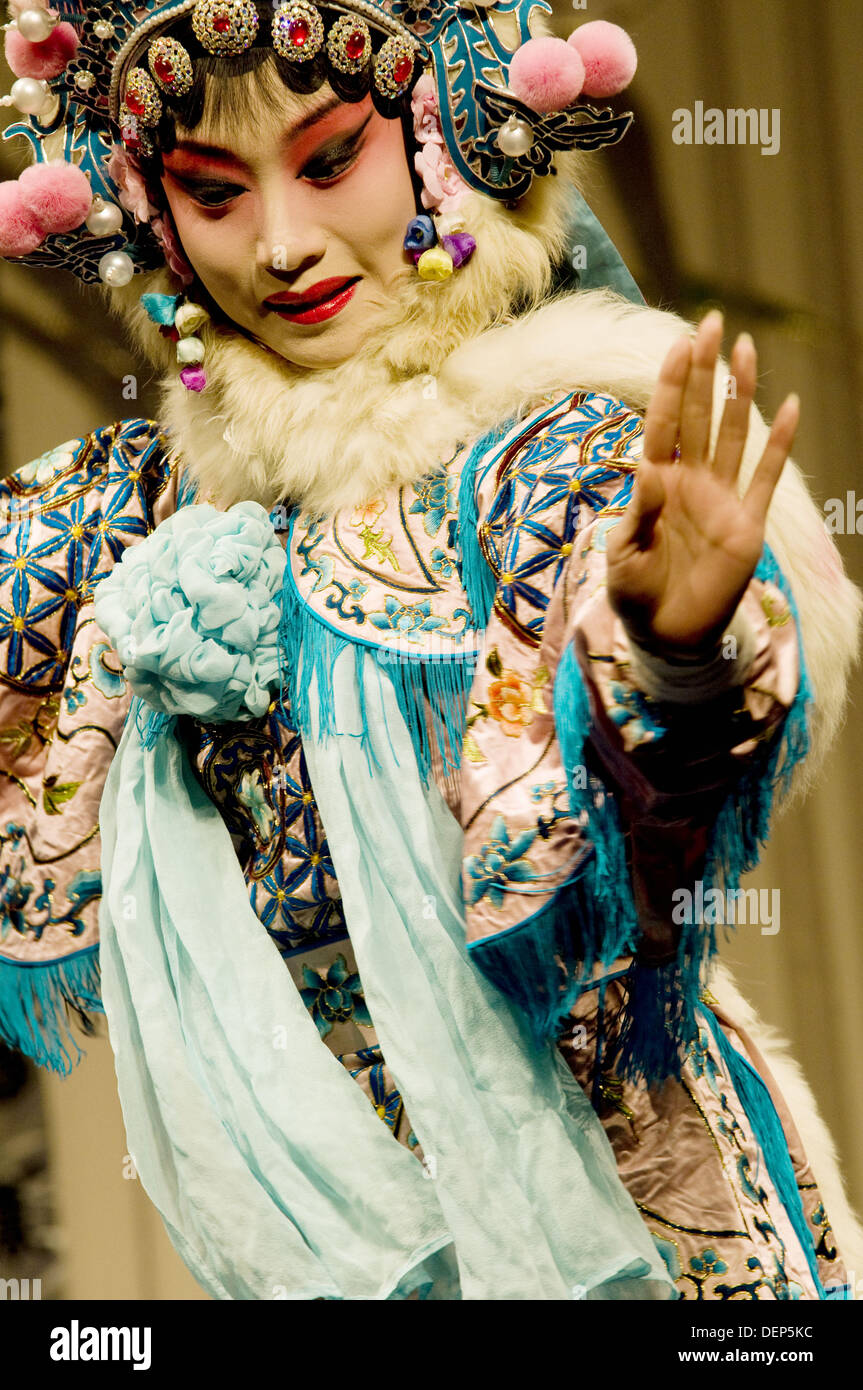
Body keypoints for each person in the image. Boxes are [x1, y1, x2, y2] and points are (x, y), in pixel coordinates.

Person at [0, 0, 860, 1301]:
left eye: (331, 160)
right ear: (156, 228)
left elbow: (642, 845)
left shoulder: (549, 449)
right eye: (216, 193)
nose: (284, 246)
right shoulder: (123, 517)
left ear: (443, 146)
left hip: (624, 1214)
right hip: (346, 1240)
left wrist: (668, 641)